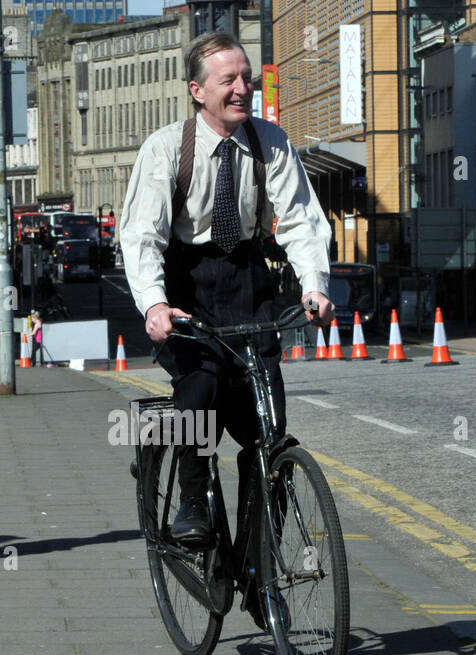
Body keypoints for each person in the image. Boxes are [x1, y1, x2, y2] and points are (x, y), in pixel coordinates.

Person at [120, 30, 333, 546]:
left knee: (269, 430)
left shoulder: (270, 142)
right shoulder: (167, 148)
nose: (242, 88)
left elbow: (301, 221)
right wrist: (154, 305)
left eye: (247, 78)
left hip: (248, 276)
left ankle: (261, 560)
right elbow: (142, 235)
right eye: (229, 80)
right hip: (185, 283)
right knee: (202, 389)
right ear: (198, 91)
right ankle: (192, 499)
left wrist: (315, 286)